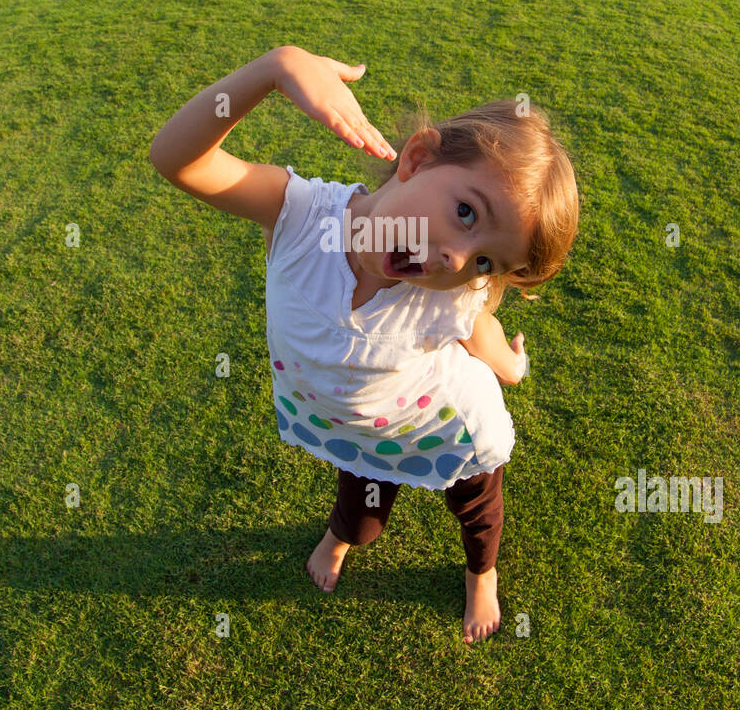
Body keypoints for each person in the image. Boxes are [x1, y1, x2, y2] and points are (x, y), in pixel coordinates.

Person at [148, 45, 579, 644]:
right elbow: (175, 160)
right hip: (363, 430)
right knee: (364, 513)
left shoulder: (451, 294)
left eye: (485, 259)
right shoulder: (299, 217)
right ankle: (343, 536)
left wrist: (512, 366)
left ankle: (483, 571)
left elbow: (485, 338)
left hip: (447, 424)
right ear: (418, 158)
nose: (459, 257)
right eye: (464, 211)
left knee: (476, 510)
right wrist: (273, 69)